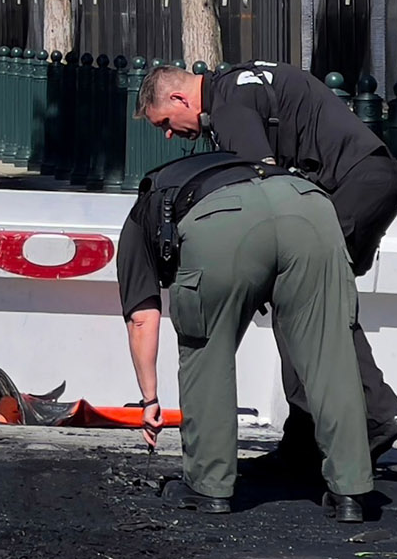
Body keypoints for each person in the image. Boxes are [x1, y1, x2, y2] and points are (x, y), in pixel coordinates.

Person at [138, 62, 397, 475]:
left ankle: (374, 416)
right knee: (308, 303)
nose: (168, 133)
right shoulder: (237, 84)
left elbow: (259, 188)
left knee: (305, 301)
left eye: (164, 121)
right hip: (371, 177)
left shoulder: (228, 107)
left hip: (355, 183)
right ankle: (308, 438)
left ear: (180, 98)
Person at [118, 150, 375, 522]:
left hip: (220, 221)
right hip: (308, 206)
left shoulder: (141, 215)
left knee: (206, 351)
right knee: (329, 353)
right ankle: (351, 489)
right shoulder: (222, 169)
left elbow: (142, 319)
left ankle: (209, 485)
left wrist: (149, 399)